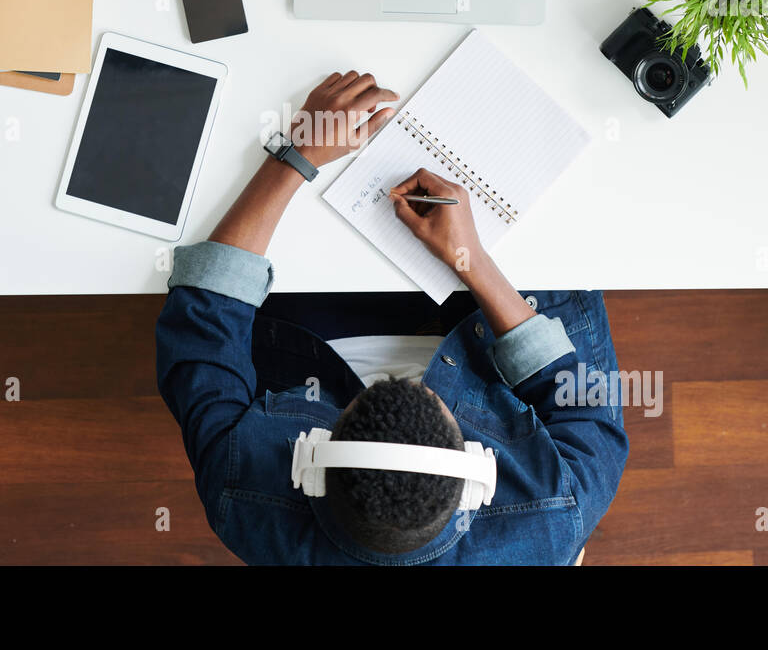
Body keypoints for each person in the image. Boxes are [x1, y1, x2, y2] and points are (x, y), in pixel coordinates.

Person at [156, 70, 628, 564]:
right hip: (482, 336)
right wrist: (473, 260)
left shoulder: (246, 497)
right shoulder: (556, 511)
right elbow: (578, 392)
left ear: (314, 458)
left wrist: (297, 155)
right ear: (475, 465)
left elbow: (202, 326)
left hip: (313, 342)